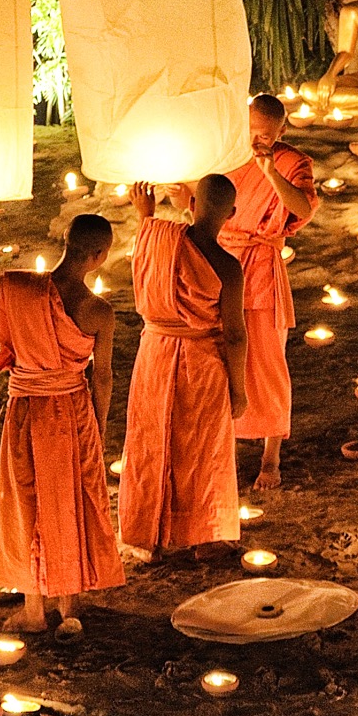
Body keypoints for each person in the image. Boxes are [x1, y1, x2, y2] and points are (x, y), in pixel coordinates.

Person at [0, 202, 123, 637]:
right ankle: (69, 605)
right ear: (99, 257)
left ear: (66, 244)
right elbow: (103, 377)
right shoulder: (98, 311)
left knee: (28, 501)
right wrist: (100, 425)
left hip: (27, 410)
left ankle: (35, 609)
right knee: (71, 499)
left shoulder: (18, 287)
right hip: (73, 411)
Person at [117, 177, 248, 559]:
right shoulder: (227, 266)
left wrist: (146, 213)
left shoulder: (156, 239)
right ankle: (201, 537)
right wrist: (238, 391)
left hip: (154, 355)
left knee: (151, 443)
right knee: (200, 450)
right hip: (202, 362)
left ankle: (149, 537)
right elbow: (236, 336)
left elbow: (147, 243)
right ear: (232, 215)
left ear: (191, 204)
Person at [214, 94, 315, 491]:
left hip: (261, 269)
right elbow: (201, 202)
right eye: (253, 132)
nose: (258, 142)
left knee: (269, 362)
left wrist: (271, 172)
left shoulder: (293, 163)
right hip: (221, 263)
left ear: (282, 133)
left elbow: (303, 209)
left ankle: (271, 459)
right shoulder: (224, 154)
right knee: (218, 357)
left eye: (267, 136)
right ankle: (222, 446)